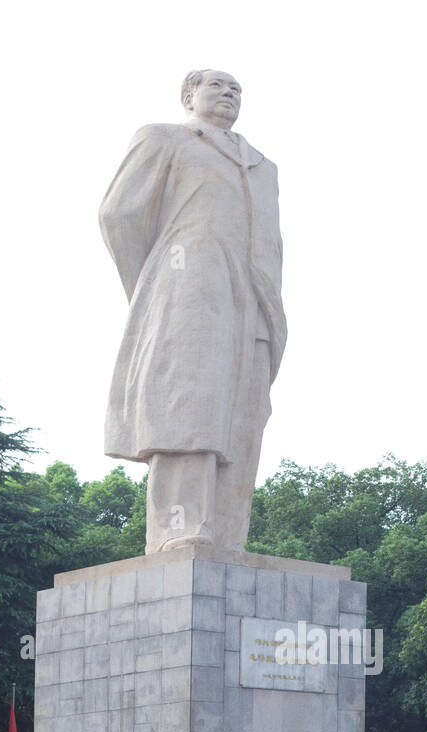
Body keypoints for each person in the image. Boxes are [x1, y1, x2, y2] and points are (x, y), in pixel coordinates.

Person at [100, 69, 287, 552]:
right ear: (188, 96)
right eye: (217, 86)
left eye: (237, 89)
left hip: (254, 297)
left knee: (244, 413)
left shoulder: (264, 166)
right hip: (189, 288)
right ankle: (180, 530)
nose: (229, 94)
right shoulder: (164, 139)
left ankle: (227, 536)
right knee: (188, 405)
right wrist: (153, 284)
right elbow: (119, 214)